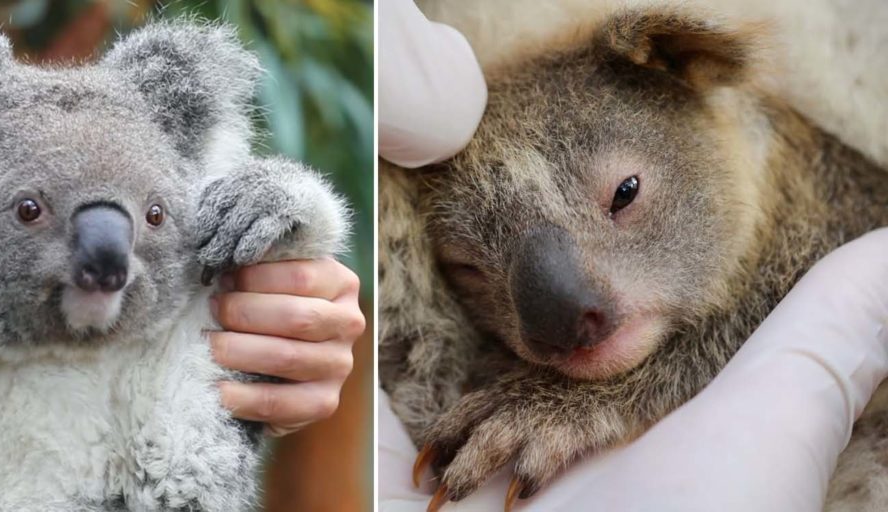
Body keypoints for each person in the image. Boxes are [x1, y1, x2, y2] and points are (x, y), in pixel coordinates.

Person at [376, 1, 888, 510]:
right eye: (471, 268)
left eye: (623, 196)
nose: (560, 321)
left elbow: (790, 281)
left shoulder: (818, 188)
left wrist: (614, 396)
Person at [0, 41, 364, 511]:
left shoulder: (179, 291)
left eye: (152, 216)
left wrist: (290, 234)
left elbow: (291, 256)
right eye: (31, 210)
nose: (109, 266)